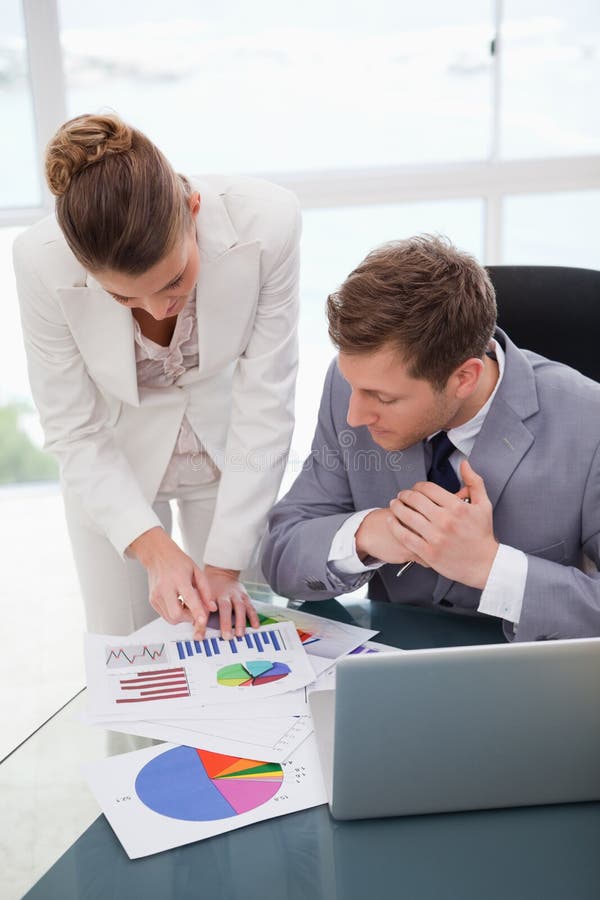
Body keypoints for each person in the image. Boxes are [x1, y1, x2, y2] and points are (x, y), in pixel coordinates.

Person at [14, 113, 301, 638]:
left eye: (174, 280)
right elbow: (73, 426)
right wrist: (150, 547)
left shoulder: (270, 221)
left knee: (249, 638)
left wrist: (224, 565)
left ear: (194, 212)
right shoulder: (39, 261)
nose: (159, 309)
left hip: (232, 455)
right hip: (109, 464)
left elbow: (268, 398)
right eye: (123, 296)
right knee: (123, 656)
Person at [262, 235, 600, 642]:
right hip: (394, 665)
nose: (355, 415)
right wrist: (369, 533)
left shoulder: (588, 422)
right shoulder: (351, 384)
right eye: (355, 387)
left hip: (532, 676)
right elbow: (281, 552)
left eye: (384, 398)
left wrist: (491, 568)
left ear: (464, 378)